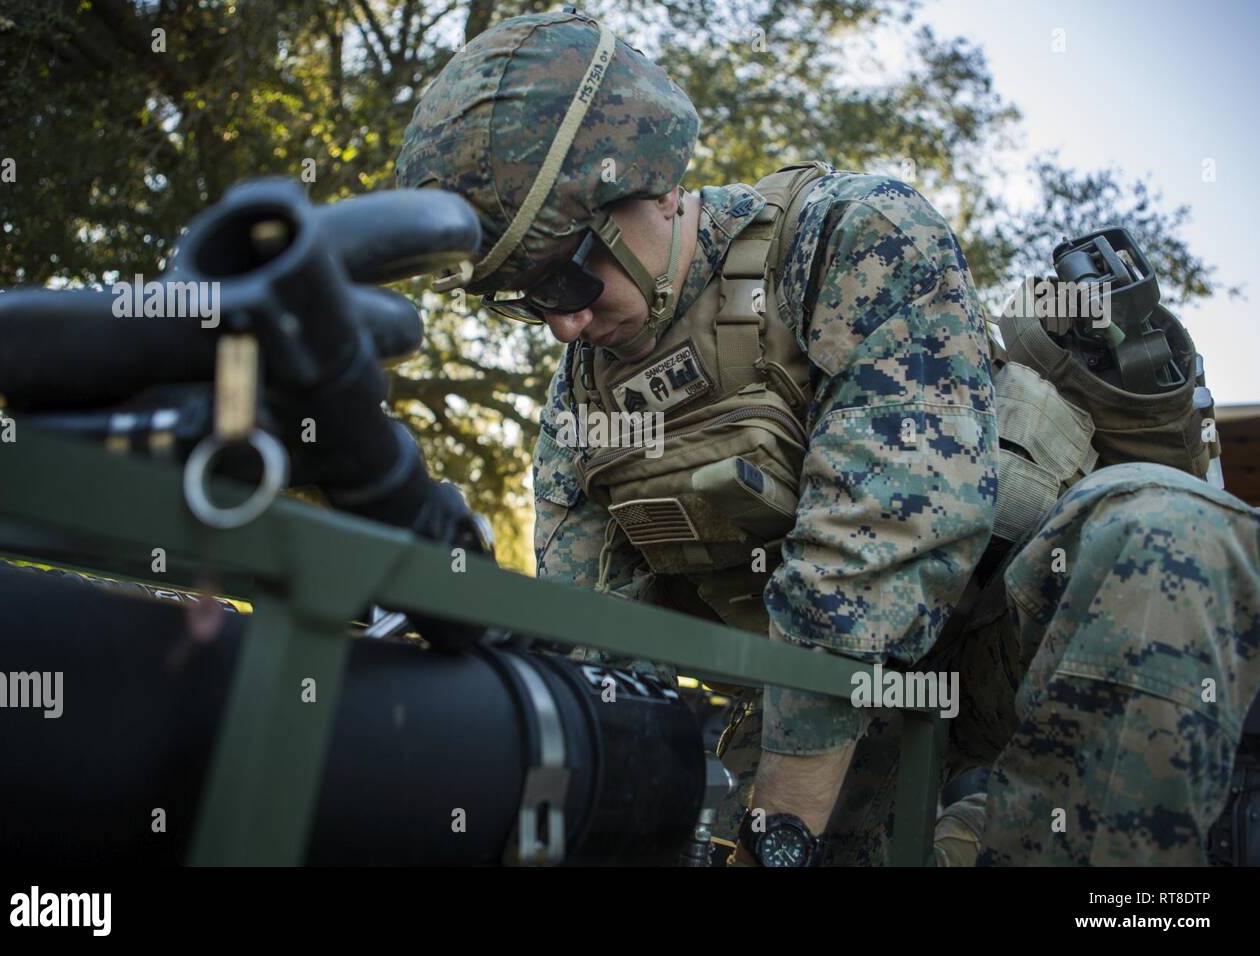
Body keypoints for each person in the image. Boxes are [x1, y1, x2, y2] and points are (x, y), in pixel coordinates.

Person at [396, 8, 1260, 865]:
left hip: (1008, 654)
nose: (562, 321)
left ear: (656, 181)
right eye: (525, 297)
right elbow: (589, 642)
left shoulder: (852, 235)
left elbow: (876, 545)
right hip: (812, 707)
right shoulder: (586, 395)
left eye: (564, 272)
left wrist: (780, 836)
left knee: (1158, 531)